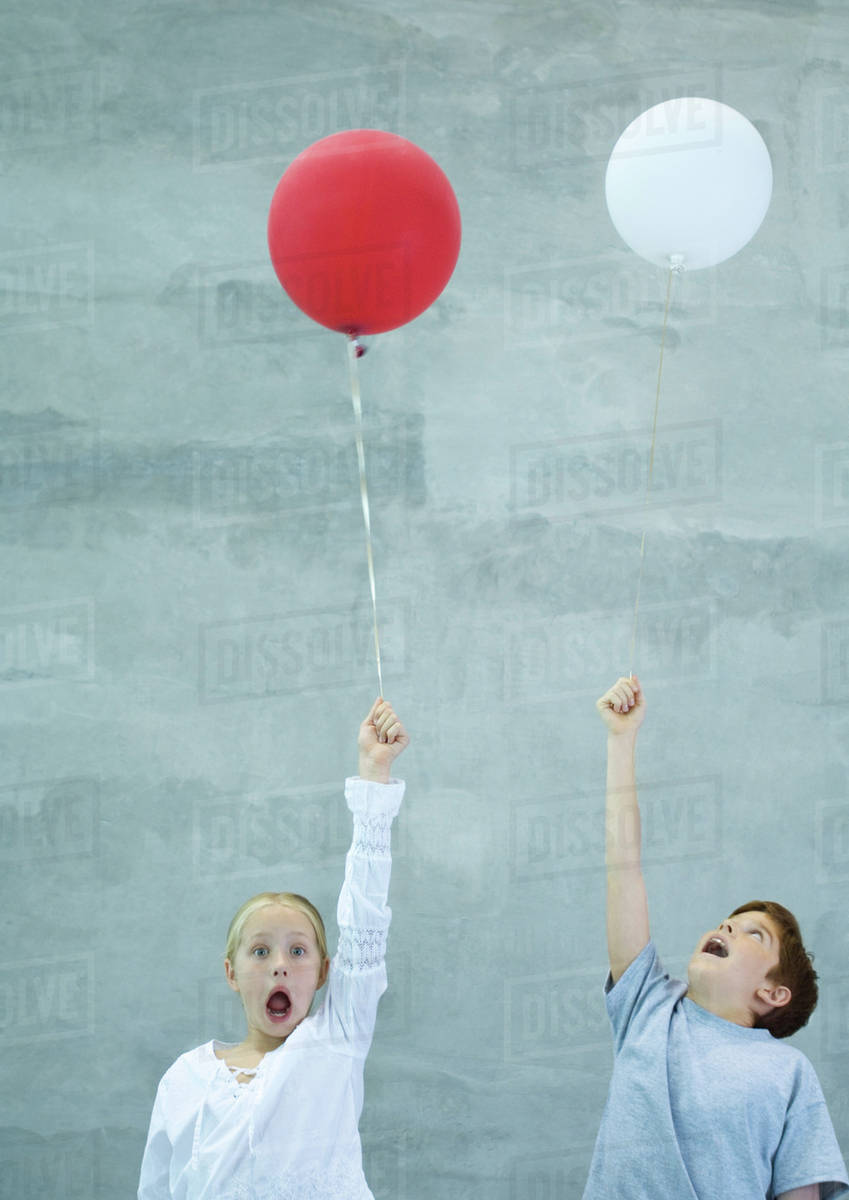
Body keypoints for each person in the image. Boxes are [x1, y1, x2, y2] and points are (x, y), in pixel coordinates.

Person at [583, 674, 849, 1200]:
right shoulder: (646, 1007)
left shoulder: (788, 1072)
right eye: (728, 921)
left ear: (773, 993)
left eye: (754, 934)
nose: (726, 926)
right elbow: (624, 866)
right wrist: (620, 740)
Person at [137, 697, 409, 1200]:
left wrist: (374, 775)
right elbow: (158, 1187)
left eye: (298, 952)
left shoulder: (337, 1040)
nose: (281, 965)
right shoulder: (186, 1078)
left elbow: (366, 915)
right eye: (260, 952)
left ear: (326, 971)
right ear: (231, 973)